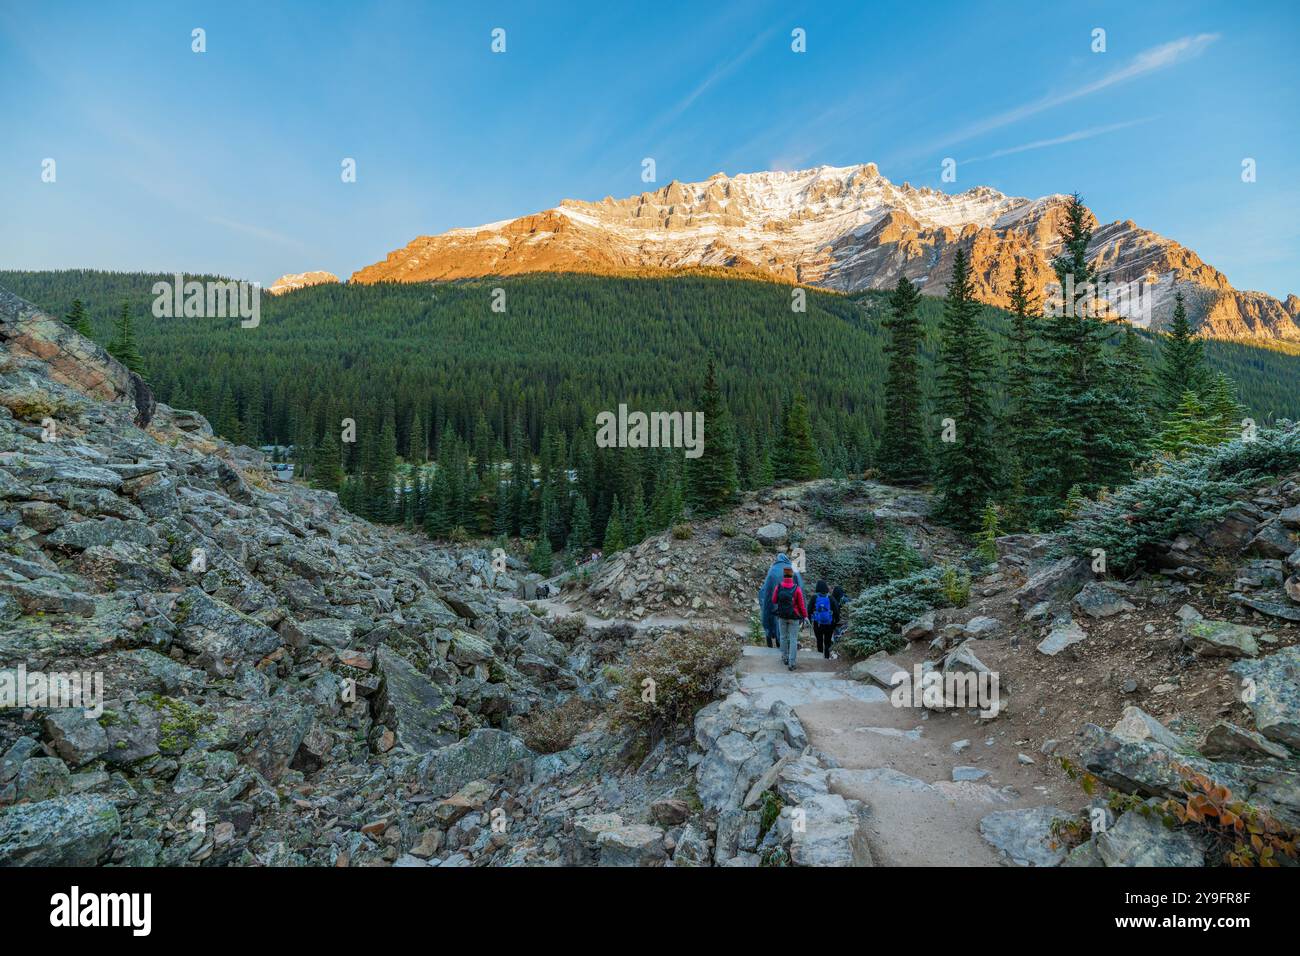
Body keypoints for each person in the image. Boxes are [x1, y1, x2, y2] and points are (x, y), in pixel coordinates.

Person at [759, 553, 803, 649]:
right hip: (792, 607)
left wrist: (766, 604)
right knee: (791, 634)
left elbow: (765, 591)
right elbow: (800, 588)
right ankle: (790, 656)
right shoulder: (792, 568)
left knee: (778, 626)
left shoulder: (773, 570)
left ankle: (778, 648)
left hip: (777, 606)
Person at [770, 566, 808, 670]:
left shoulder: (779, 587)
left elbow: (774, 600)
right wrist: (805, 616)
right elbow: (801, 605)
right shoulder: (797, 588)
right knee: (793, 639)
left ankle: (784, 657)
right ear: (792, 576)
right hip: (794, 617)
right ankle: (792, 663)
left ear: (784, 576)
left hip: (782, 616)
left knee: (783, 637)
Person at [810, 579, 836, 658]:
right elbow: (836, 610)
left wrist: (809, 618)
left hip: (818, 624)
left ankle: (819, 658)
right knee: (827, 642)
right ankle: (826, 658)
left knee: (819, 641)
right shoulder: (831, 598)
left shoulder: (814, 597)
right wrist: (835, 622)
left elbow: (809, 609)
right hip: (829, 624)